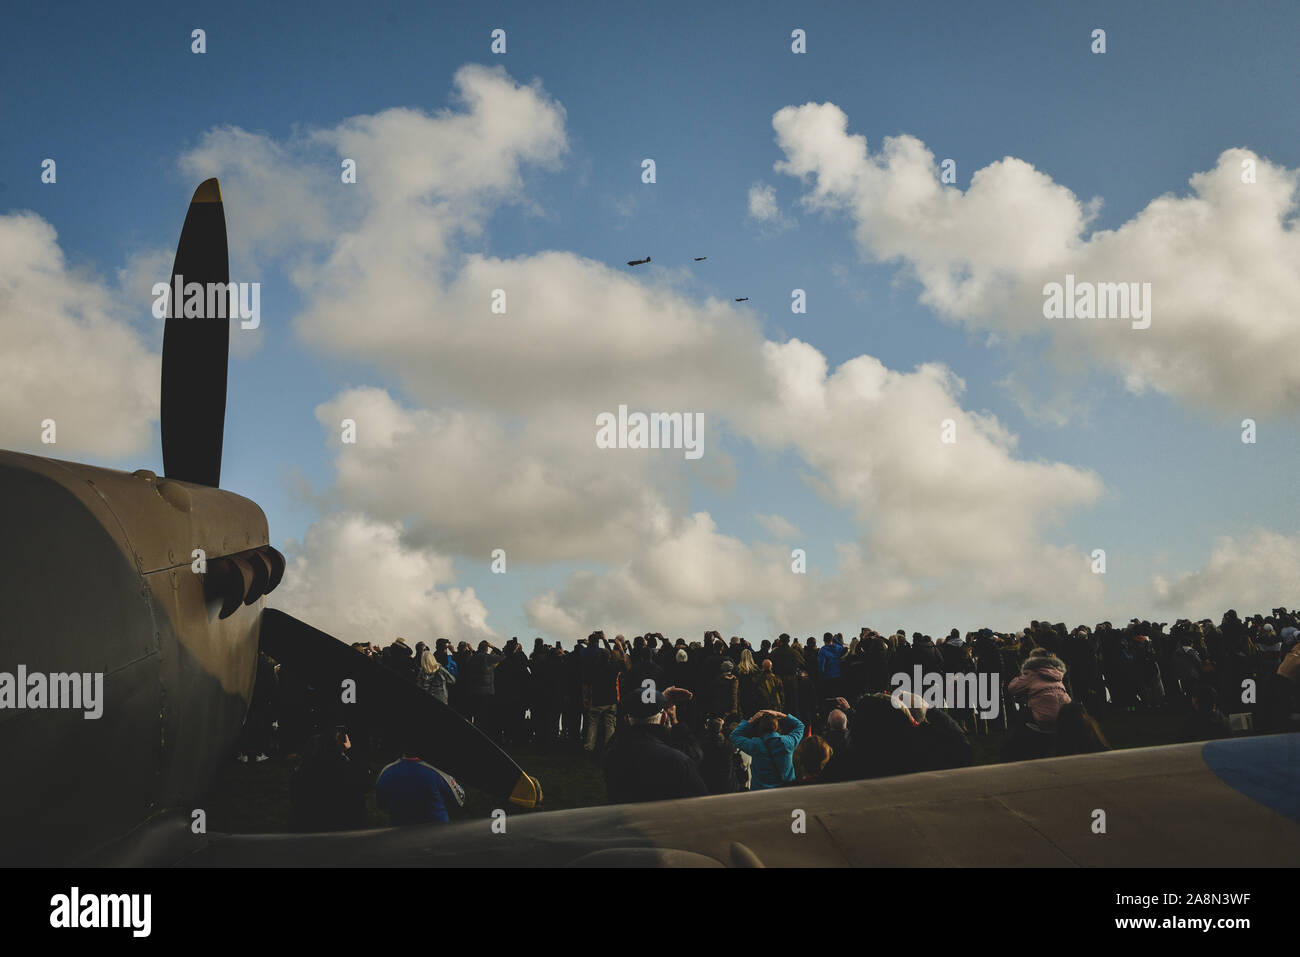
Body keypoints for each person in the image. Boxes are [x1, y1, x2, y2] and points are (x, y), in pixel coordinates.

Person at [603, 687, 707, 803]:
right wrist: (675, 721)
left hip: (626, 817)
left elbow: (620, 735)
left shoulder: (613, 753)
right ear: (663, 718)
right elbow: (694, 756)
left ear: (627, 719)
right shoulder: (677, 760)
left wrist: (654, 701)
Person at [289, 728, 370, 831]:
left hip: (310, 832)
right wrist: (349, 751)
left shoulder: (300, 774)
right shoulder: (346, 770)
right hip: (347, 832)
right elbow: (366, 782)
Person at [374, 746, 464, 825]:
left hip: (399, 837)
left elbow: (380, 805)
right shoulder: (437, 770)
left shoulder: (386, 772)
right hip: (438, 835)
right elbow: (460, 798)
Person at [728, 709, 804, 789]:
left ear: (760, 727)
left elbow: (734, 735)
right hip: (786, 791)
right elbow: (800, 726)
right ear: (776, 726)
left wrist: (752, 719)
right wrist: (779, 714)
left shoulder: (755, 745)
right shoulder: (787, 743)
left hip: (761, 793)